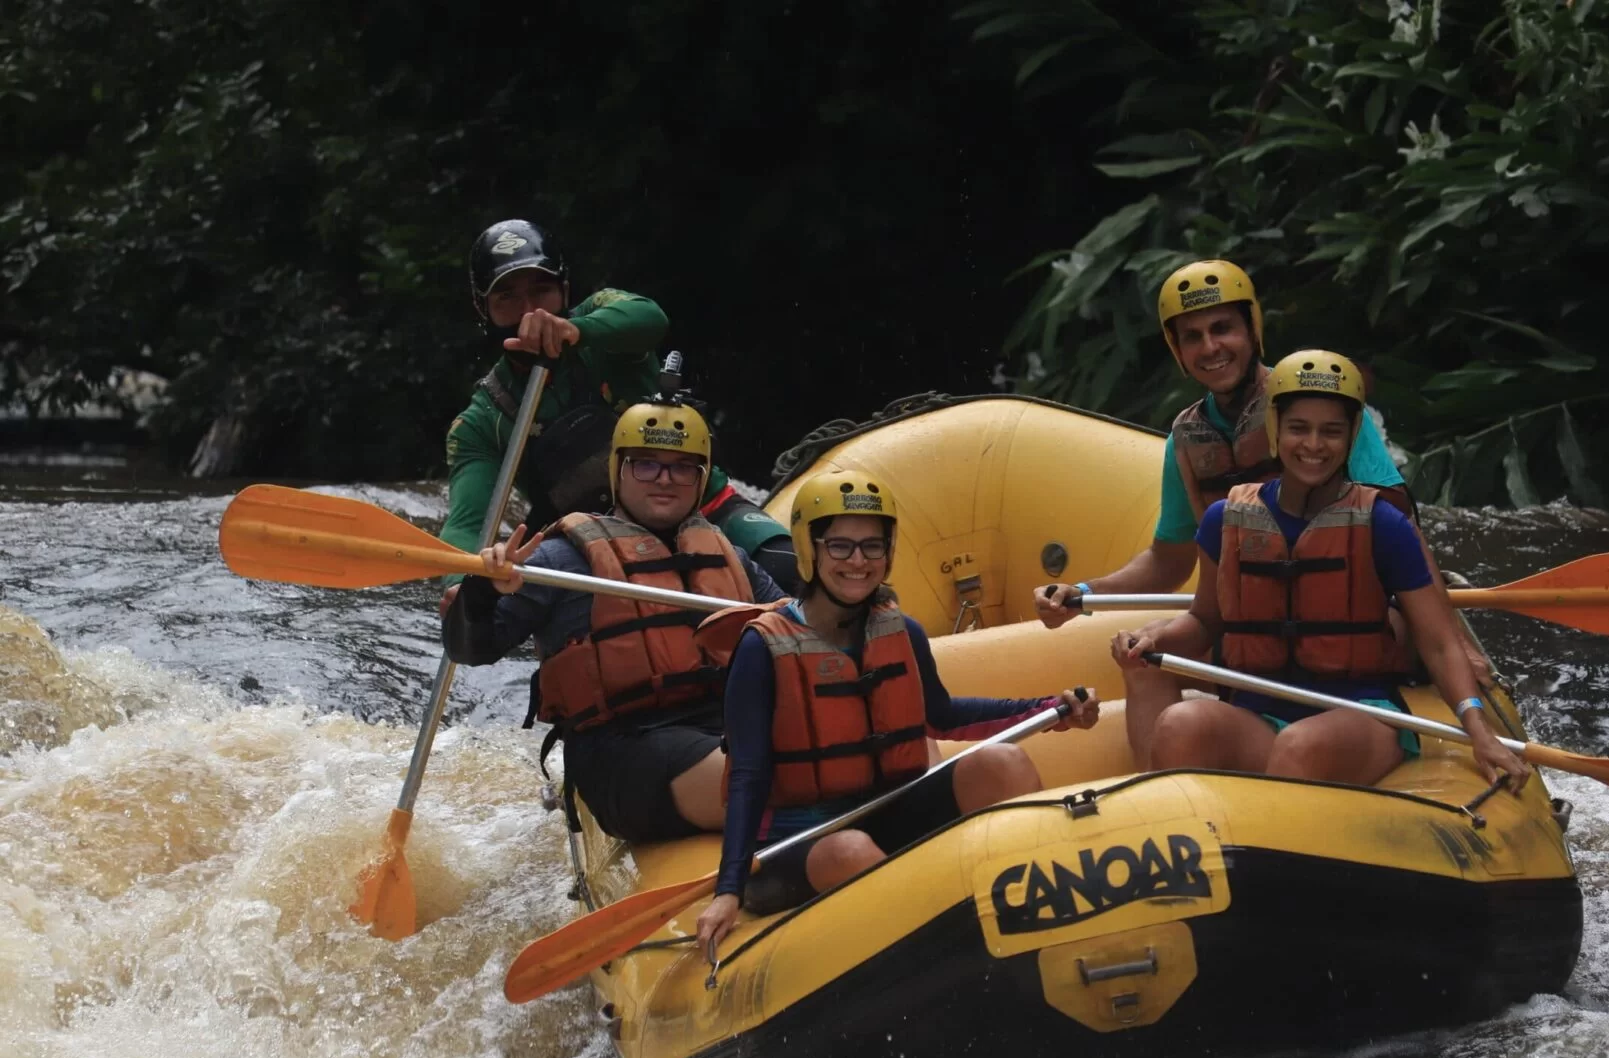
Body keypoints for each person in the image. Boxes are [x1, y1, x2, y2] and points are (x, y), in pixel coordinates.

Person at [1031, 260, 1480, 763]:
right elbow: (1168, 560)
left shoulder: (1319, 407)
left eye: (1223, 328)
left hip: (1355, 621)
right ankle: (1159, 790)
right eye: (1193, 336)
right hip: (1253, 621)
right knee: (1149, 658)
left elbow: (1402, 532)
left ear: (1252, 329)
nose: (1210, 347)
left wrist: (1457, 645)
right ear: (1177, 351)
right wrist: (1084, 593)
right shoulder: (1187, 438)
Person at [693, 471, 1101, 949]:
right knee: (852, 850)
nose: (858, 561)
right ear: (810, 549)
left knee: (1001, 763)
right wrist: (728, 889)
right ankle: (943, 954)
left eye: (873, 546)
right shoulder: (761, 648)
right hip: (797, 848)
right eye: (840, 546)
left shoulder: (901, 631)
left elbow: (943, 715)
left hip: (890, 811)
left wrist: (1050, 710)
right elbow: (747, 775)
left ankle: (1054, 925)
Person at [1109, 350, 1529, 792]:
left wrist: (1479, 730)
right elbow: (1205, 621)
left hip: (1361, 715)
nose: (1313, 445)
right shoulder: (1224, 518)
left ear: (1351, 438)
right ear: (1275, 431)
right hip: (1257, 710)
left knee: (1298, 747)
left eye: (1331, 431)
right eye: (1298, 429)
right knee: (1180, 725)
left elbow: (1440, 644)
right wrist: (1155, 640)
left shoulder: (1382, 523)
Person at [441, 398, 788, 843]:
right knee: (780, 777)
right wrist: (482, 591)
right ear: (617, 471)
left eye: (683, 467)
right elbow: (470, 649)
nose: (665, 479)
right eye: (646, 465)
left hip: (722, 731)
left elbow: (798, 637)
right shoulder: (558, 559)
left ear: (702, 479)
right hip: (625, 752)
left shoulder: (732, 559)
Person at [443, 219, 798, 589]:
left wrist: (578, 333)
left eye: (542, 290)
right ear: (482, 308)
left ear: (564, 289)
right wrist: (461, 587)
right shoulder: (481, 422)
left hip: (704, 510)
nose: (531, 311)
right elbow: (468, 526)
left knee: (790, 570)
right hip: (594, 550)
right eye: (507, 297)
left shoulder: (604, 322)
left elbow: (651, 319)